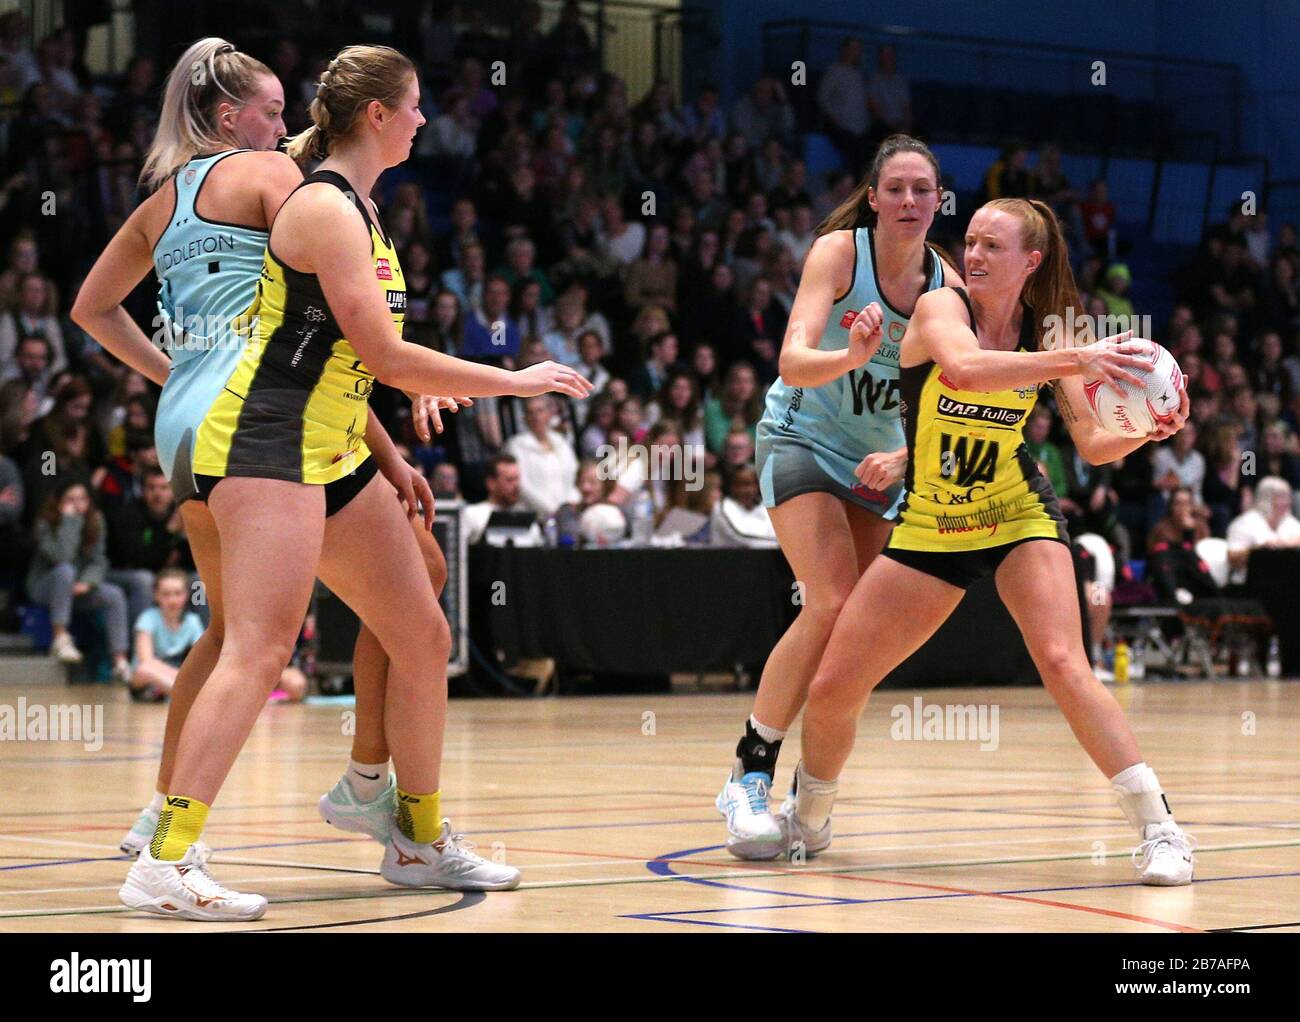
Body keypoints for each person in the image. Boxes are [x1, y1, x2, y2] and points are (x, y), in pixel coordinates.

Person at [71, 38, 459, 869]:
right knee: (376, 595)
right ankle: (366, 786)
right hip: (263, 412)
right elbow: (327, 338)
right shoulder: (285, 183)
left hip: (185, 419)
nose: (286, 128)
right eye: (273, 112)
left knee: (231, 632)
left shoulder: (161, 199)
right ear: (227, 117)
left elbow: (92, 309)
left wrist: (174, 372)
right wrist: (399, 424)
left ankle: (158, 815)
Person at [786, 197, 1198, 887]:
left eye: (990, 246)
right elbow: (969, 371)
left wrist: (1148, 430)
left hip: (1014, 510)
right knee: (832, 688)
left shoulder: (1053, 329)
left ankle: (1161, 831)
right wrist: (1075, 357)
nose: (971, 255)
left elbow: (1094, 447)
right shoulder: (941, 308)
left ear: (1030, 261)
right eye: (969, 241)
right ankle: (809, 819)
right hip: (933, 520)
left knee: (1066, 662)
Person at [715, 135, 955, 859]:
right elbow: (790, 358)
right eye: (897, 189)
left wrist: (909, 455)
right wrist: (850, 356)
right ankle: (748, 772)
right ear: (875, 198)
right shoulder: (838, 254)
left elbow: (951, 396)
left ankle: (810, 798)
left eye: (924, 189)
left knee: (853, 633)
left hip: (877, 464)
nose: (911, 201)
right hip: (799, 438)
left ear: (939, 200)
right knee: (829, 599)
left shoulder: (947, 289)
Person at [26, 480, 131, 677]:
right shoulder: (45, 523)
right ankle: (61, 638)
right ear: (58, 503)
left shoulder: (96, 521)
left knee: (114, 594)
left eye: (82, 499)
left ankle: (120, 661)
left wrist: (87, 582)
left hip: (78, 588)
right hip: (45, 587)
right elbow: (62, 556)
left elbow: (99, 561)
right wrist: (69, 521)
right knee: (65, 570)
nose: (77, 504)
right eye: (70, 499)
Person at [129, 567, 205, 701]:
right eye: (166, 594)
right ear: (156, 596)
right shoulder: (148, 618)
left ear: (186, 595)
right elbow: (145, 660)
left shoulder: (192, 621)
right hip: (148, 682)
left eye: (177, 593)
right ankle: (188, 695)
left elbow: (202, 658)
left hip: (174, 679)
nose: (172, 599)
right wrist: (179, 676)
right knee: (144, 670)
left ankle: (182, 693)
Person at [1226, 475, 1300, 584]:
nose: (1287, 502)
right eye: (1281, 497)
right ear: (1266, 498)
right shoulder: (1245, 522)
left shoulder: (1290, 522)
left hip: (1286, 582)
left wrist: (1281, 545)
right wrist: (1260, 550)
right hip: (1250, 584)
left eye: (1288, 497)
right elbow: (1233, 558)